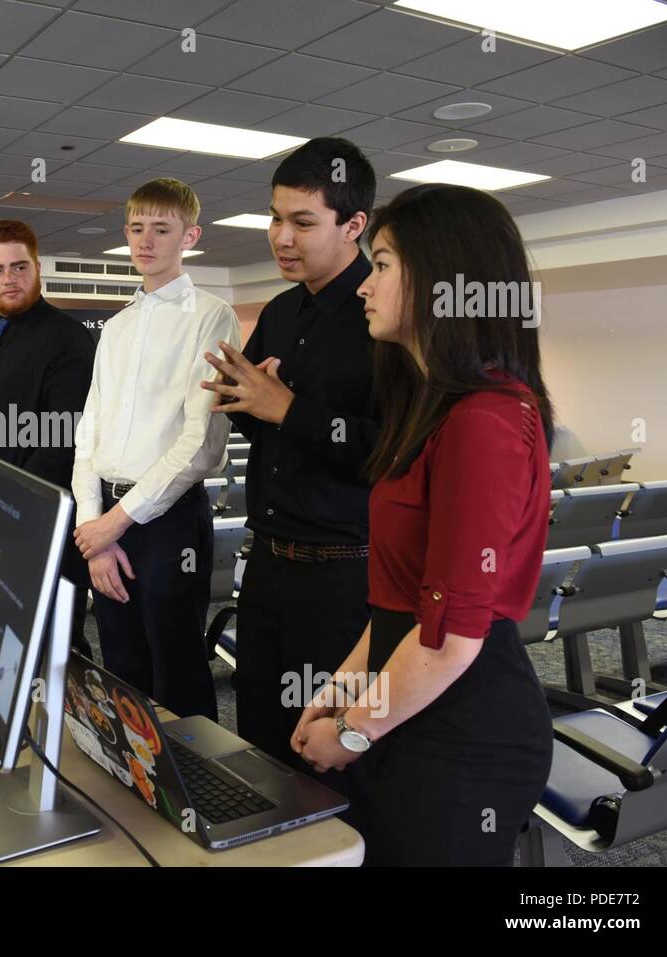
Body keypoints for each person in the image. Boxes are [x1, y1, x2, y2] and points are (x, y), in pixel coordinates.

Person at [288, 183, 555, 866]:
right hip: (410, 698)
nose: (362, 287)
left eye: (380, 265)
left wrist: (351, 732)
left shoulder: (485, 422)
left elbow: (450, 640)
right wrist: (339, 694)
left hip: (465, 723)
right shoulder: (436, 410)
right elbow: (397, 603)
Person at [203, 137, 379, 819]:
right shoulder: (279, 312)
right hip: (269, 567)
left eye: (303, 222)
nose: (281, 237)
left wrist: (290, 410)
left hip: (344, 579)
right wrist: (243, 401)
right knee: (264, 747)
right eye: (274, 218)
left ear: (353, 225)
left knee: (333, 761)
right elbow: (262, 419)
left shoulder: (380, 314)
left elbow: (392, 450)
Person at [72, 179, 239, 720]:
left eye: (161, 229)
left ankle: (197, 799)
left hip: (167, 523)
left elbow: (200, 445)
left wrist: (114, 523)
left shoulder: (211, 316)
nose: (146, 241)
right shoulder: (116, 327)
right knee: (121, 665)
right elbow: (88, 433)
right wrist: (94, 530)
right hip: (106, 524)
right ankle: (132, 791)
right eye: (137, 229)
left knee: (178, 673)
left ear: (189, 236)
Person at [0, 220, 95, 656]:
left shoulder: (67, 339)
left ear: (37, 267)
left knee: (53, 651)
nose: (9, 279)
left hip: (42, 528)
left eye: (18, 266)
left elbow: (61, 441)